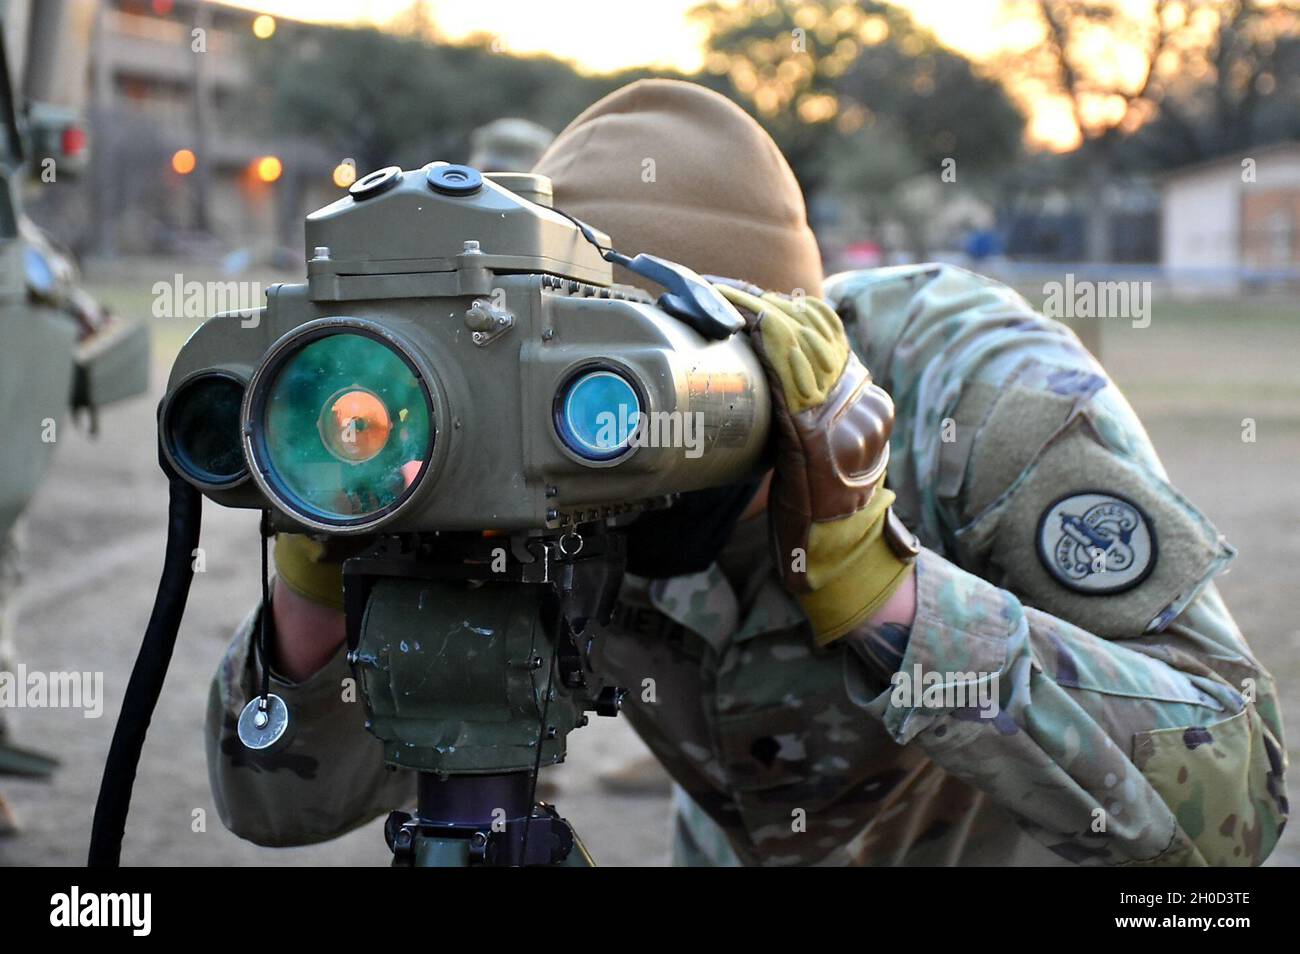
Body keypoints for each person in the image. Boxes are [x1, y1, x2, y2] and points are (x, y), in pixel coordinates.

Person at [205, 79, 1286, 866]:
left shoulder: (979, 397)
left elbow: (1239, 791)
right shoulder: (510, 439)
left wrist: (883, 590)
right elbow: (276, 805)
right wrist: (334, 551)